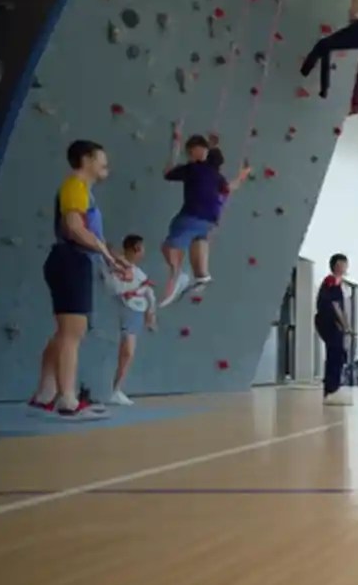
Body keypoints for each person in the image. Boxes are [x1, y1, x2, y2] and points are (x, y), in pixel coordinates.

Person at [28, 140, 124, 419]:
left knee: (65, 332)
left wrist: (114, 258)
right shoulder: (74, 187)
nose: (106, 163)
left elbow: (91, 234)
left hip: (74, 261)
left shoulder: (85, 192)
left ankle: (44, 396)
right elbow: (73, 228)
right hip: (70, 260)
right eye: (101, 158)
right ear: (86, 159)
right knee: (73, 333)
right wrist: (104, 252)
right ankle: (67, 401)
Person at [159, 132, 250, 307]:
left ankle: (178, 274)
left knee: (169, 246)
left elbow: (168, 173)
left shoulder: (193, 168)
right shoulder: (215, 175)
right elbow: (229, 188)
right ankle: (202, 275)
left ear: (195, 151)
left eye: (190, 152)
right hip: (210, 219)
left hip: (194, 213)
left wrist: (175, 144)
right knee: (198, 239)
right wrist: (242, 175)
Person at [104, 234, 157, 405]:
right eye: (141, 249)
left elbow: (150, 294)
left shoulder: (139, 273)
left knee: (128, 352)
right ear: (135, 249)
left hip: (135, 313)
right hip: (124, 310)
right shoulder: (114, 266)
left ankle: (116, 389)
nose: (143, 253)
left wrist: (151, 313)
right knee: (126, 350)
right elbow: (113, 286)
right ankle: (115, 390)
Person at [315, 253, 353, 406]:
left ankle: (332, 389)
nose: (344, 267)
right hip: (329, 323)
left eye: (345, 263)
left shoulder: (337, 283)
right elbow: (335, 306)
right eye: (341, 264)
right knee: (335, 354)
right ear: (336, 266)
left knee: (336, 354)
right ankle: (331, 390)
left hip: (332, 323)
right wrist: (345, 325)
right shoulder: (331, 282)